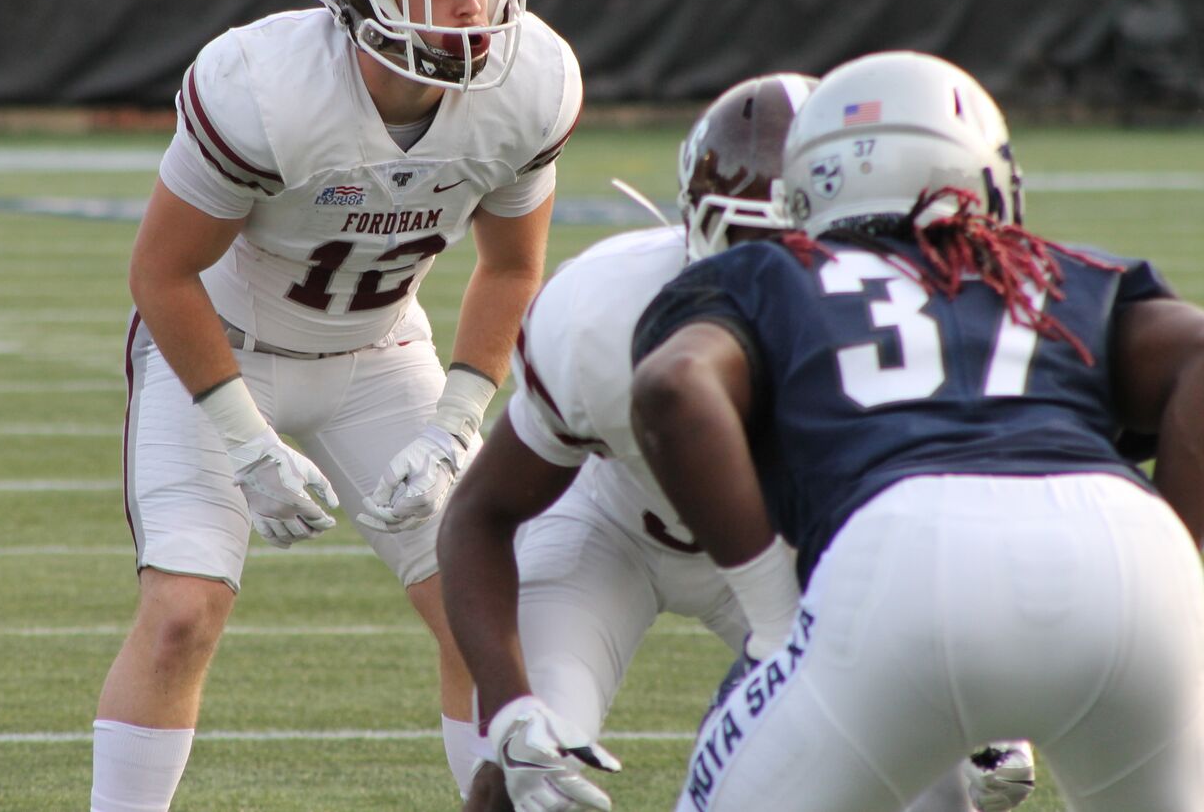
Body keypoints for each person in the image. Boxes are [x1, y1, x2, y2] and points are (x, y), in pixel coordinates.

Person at [90, 0, 583, 812]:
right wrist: (245, 441)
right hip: (223, 348)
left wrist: (454, 423)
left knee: (480, 609)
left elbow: (512, 265)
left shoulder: (528, 86)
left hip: (377, 351)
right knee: (183, 611)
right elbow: (161, 270)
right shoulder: (263, 87)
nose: (475, 9)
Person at [439, 72, 1031, 812]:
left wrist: (987, 694)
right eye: (753, 248)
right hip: (613, 532)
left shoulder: (906, 334)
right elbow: (480, 514)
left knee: (924, 782)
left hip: (794, 558)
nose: (776, 283)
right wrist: (510, 709)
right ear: (698, 234)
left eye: (805, 249)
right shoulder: (604, 315)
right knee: (532, 770)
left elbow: (960, 522)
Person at [631, 50, 1204, 812]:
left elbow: (673, 387)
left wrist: (772, 611)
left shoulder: (770, 274)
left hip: (906, 554)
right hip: (1130, 552)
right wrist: (1181, 562)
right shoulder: (1060, 270)